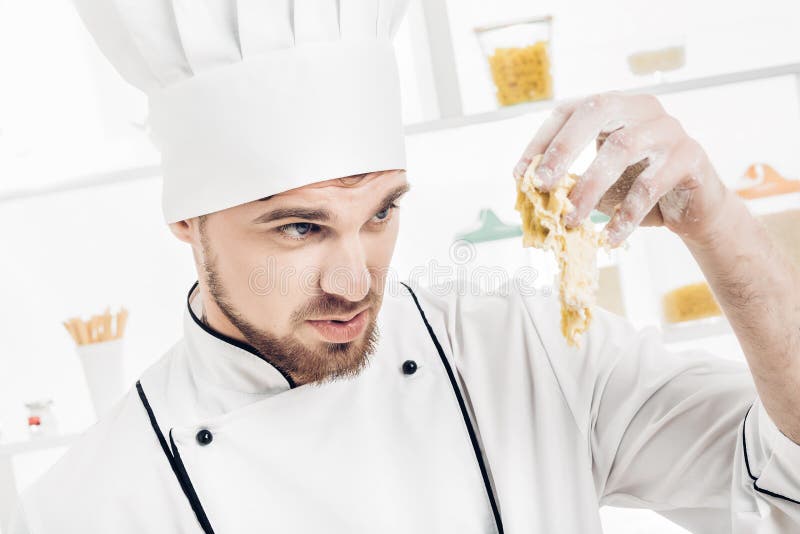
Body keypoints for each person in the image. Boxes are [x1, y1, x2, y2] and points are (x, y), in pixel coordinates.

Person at [9, 1, 800, 532]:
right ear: (187, 218)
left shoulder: (518, 351)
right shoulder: (91, 504)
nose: (357, 284)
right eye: (298, 228)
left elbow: (779, 488)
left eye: (382, 213)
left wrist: (718, 225)